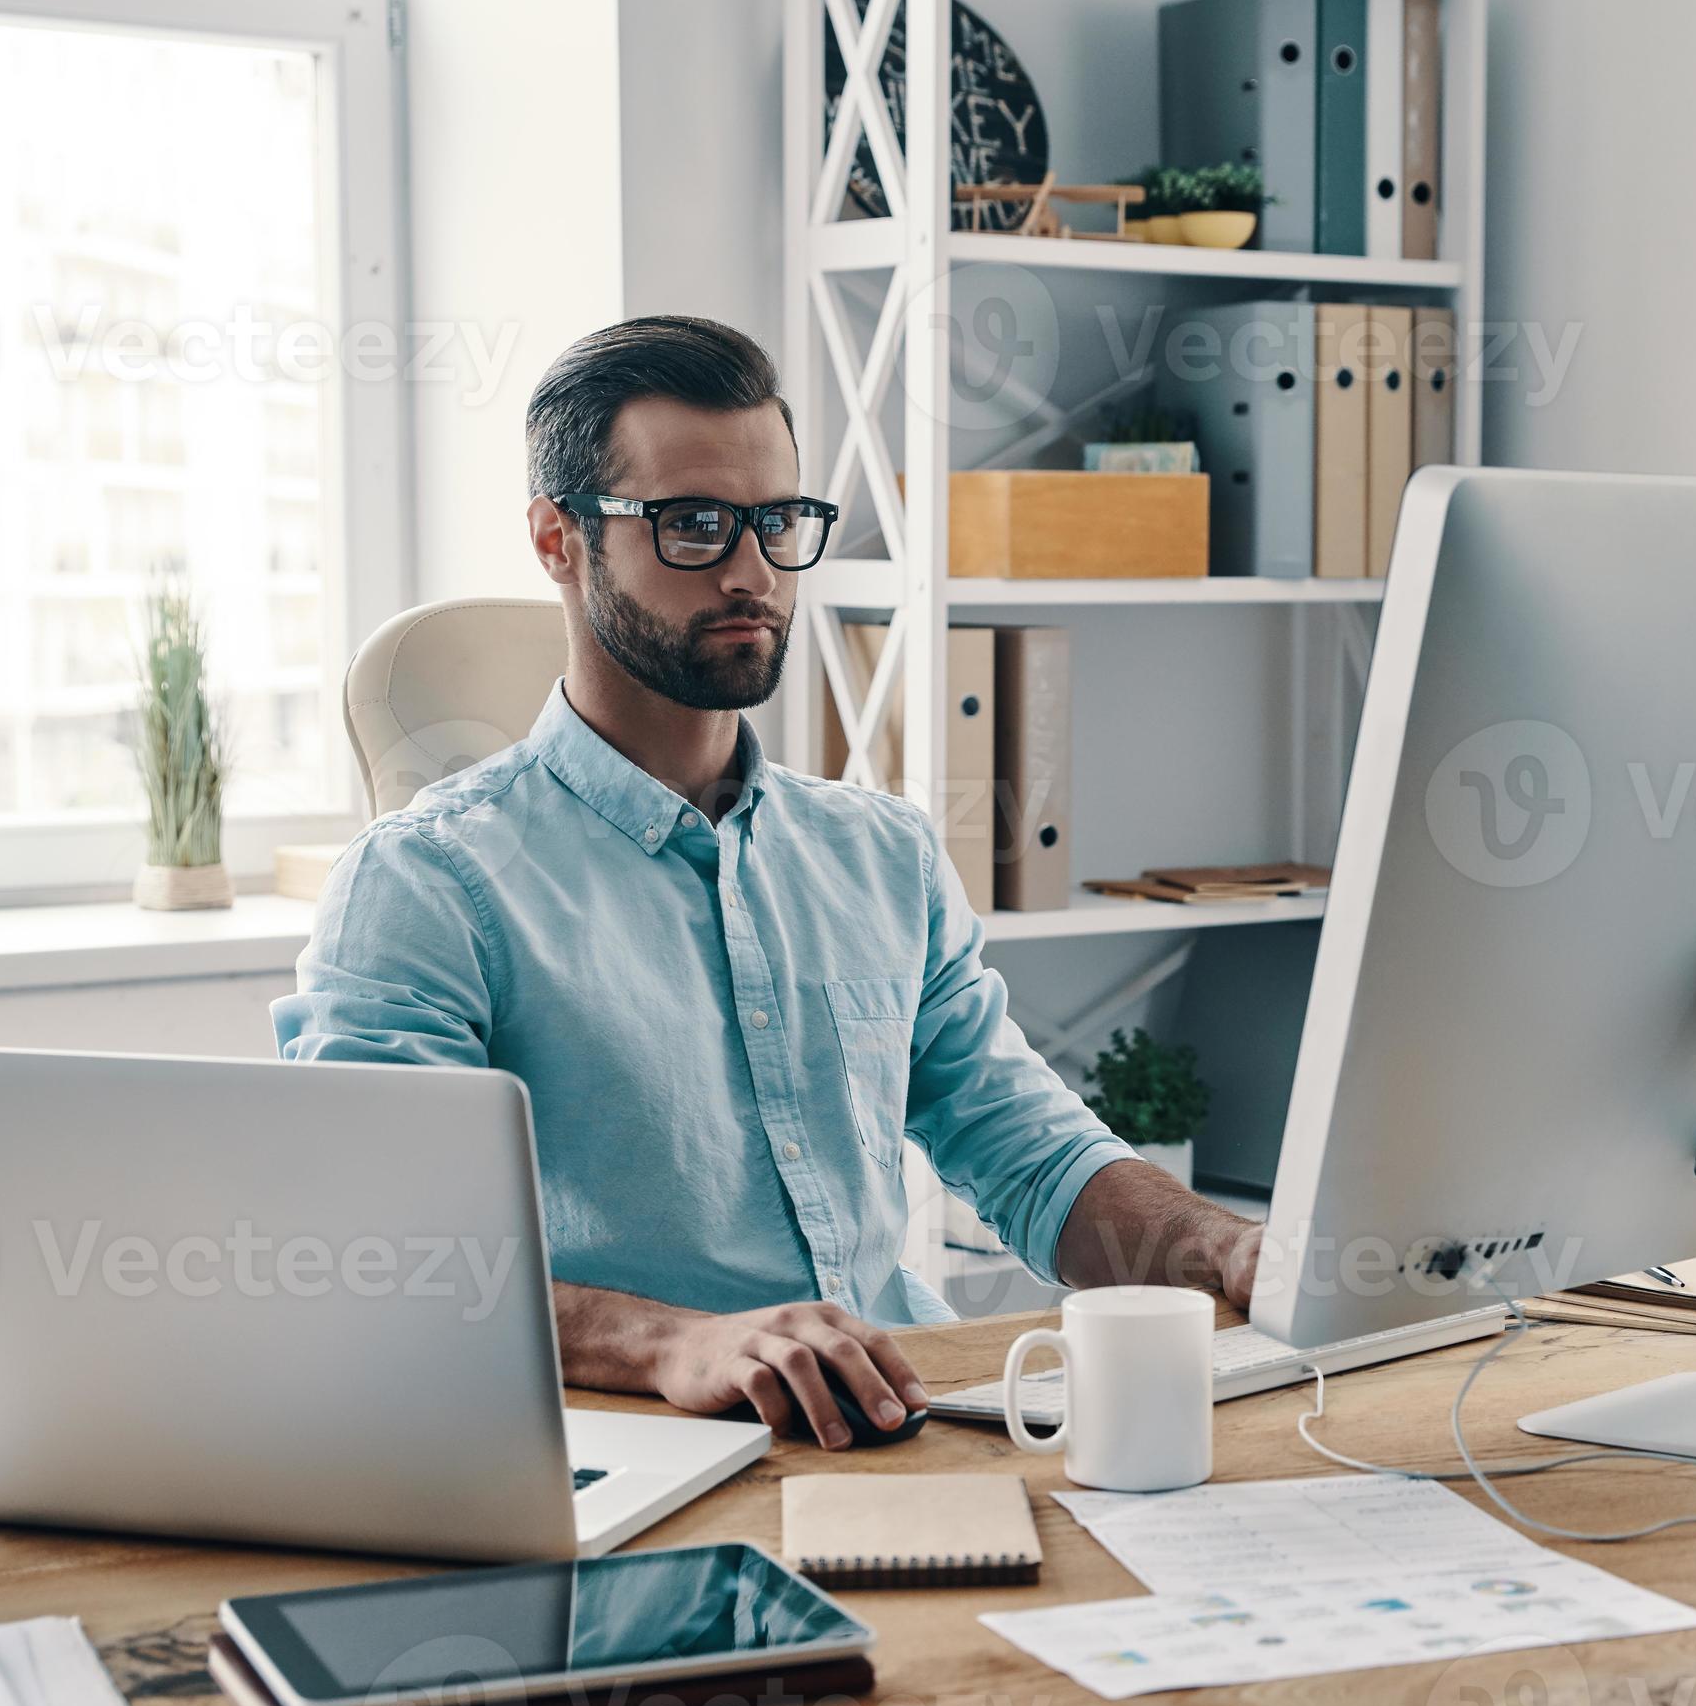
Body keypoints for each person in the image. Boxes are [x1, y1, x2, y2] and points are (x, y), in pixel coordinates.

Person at [274, 316, 1260, 1448]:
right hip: (639, 1450)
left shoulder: (881, 855)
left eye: (777, 521)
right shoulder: (425, 884)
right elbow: (386, 1262)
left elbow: (1030, 1156)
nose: (752, 574)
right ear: (558, 539)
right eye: (693, 524)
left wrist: (1227, 1249)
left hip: (908, 1418)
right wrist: (669, 1342)